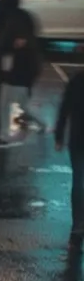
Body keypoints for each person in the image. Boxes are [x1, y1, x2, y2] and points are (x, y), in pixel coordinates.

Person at [0, 9, 42, 149]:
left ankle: (40, 123)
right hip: (13, 82)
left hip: (18, 82)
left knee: (20, 107)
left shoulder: (22, 51)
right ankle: (4, 135)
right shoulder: (22, 48)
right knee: (7, 106)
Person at [55, 69, 84, 250]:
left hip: (78, 139)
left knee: (79, 182)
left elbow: (64, 108)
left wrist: (59, 136)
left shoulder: (77, 80)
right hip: (78, 140)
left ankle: (78, 227)